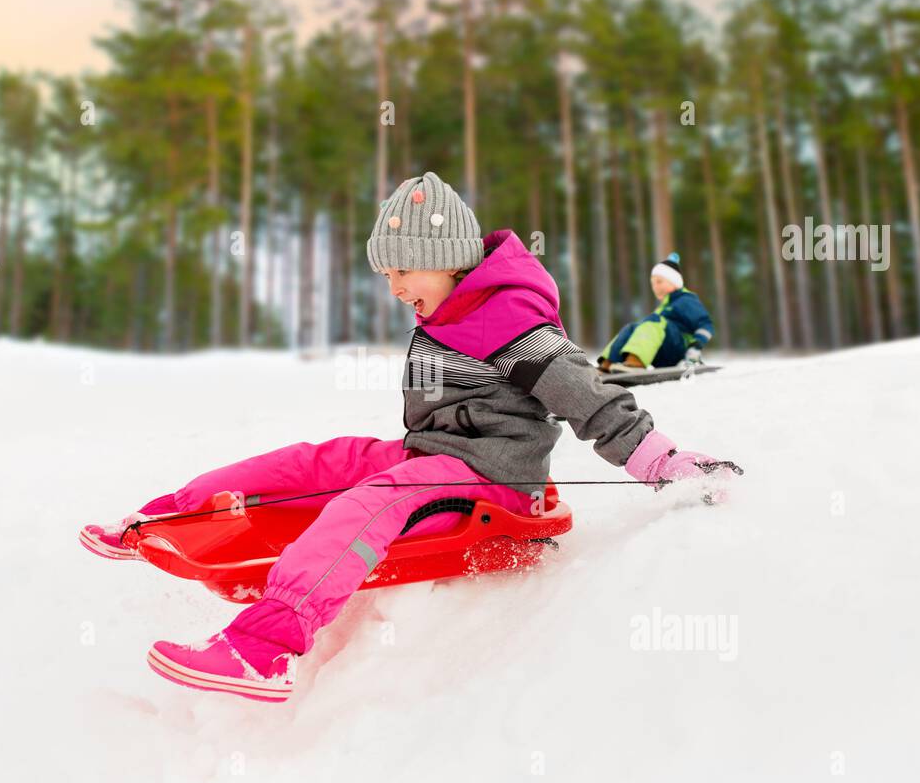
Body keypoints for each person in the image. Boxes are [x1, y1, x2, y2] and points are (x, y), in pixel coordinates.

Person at [80, 172, 740, 703]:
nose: (394, 289)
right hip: (439, 457)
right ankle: (162, 516)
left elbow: (583, 395)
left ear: (449, 260)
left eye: (404, 272)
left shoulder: (511, 319)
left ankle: (266, 648)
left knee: (366, 503)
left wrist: (662, 459)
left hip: (492, 481)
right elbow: (432, 420)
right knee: (314, 460)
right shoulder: (447, 310)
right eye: (387, 275)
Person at [598, 253, 715, 373]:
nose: (655, 287)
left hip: (680, 350)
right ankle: (607, 365)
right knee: (632, 328)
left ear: (674, 282)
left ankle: (636, 362)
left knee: (654, 320)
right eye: (652, 283)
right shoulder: (664, 307)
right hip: (662, 353)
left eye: (659, 282)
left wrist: (695, 347)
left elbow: (706, 324)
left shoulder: (685, 300)